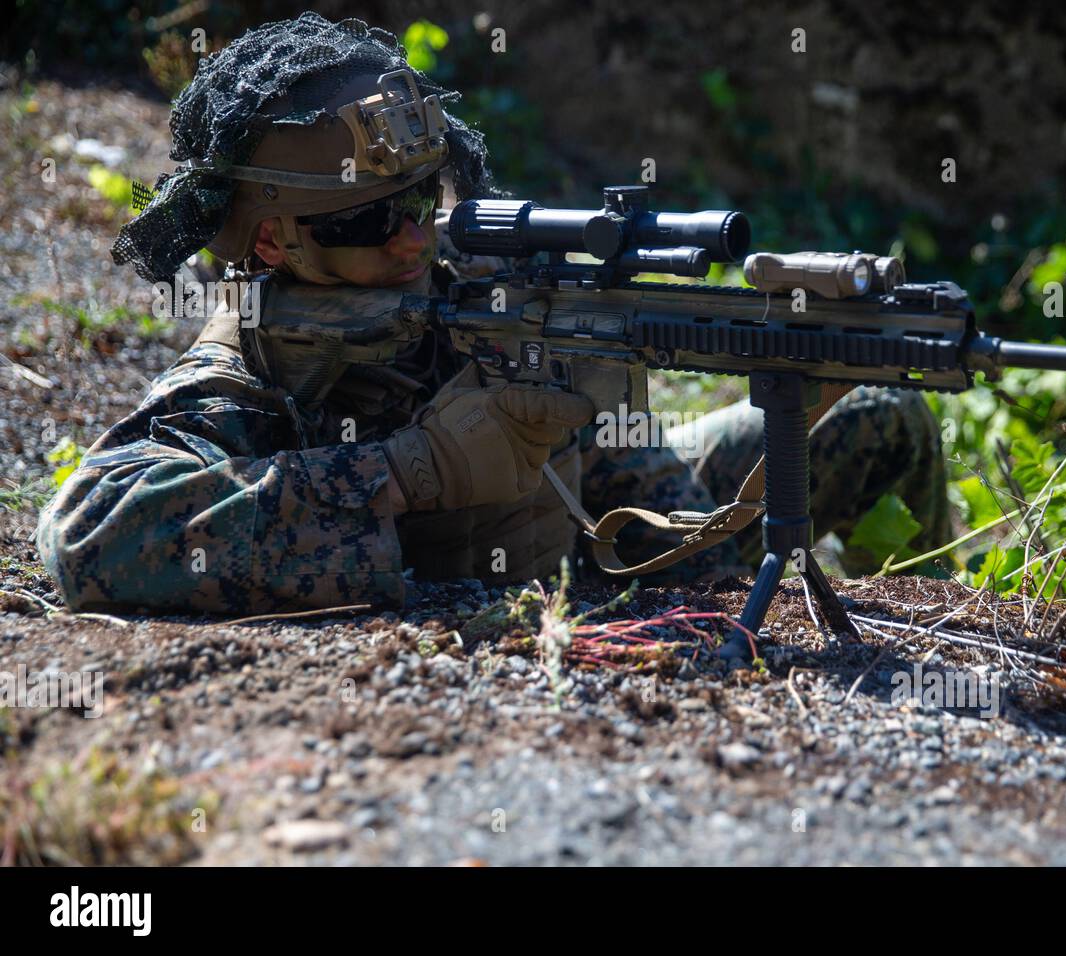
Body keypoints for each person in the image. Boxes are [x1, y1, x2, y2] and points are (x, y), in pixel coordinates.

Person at [36, 12, 948, 615]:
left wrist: (787, 370)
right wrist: (407, 472)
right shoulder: (251, 372)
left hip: (618, 526)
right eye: (368, 217)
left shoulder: (486, 268)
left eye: (423, 197)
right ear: (271, 243)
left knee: (885, 415)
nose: (411, 236)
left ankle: (938, 615)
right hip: (543, 604)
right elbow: (87, 536)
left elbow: (641, 487)